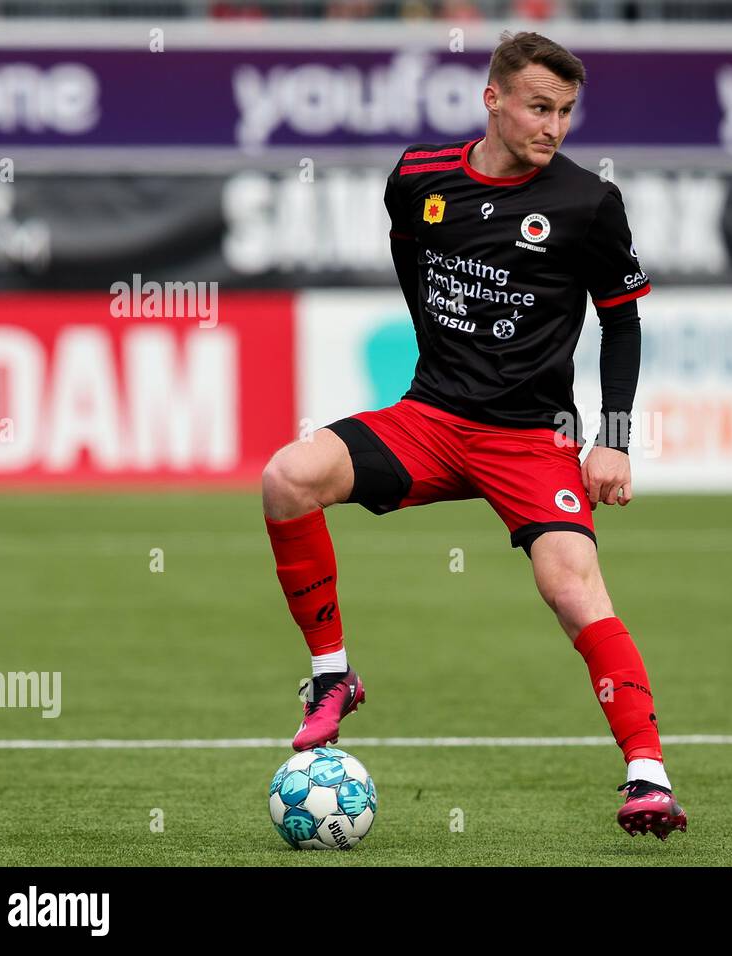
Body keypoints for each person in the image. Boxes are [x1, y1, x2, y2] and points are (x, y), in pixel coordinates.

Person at [261, 31, 685, 840]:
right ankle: (331, 677)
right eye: (537, 107)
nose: (552, 126)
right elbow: (408, 248)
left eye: (564, 111)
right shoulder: (418, 178)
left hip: (529, 438)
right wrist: (441, 359)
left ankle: (647, 776)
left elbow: (622, 321)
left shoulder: (588, 203)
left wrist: (615, 437)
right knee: (287, 476)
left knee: (572, 586)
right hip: (428, 419)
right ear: (492, 99)